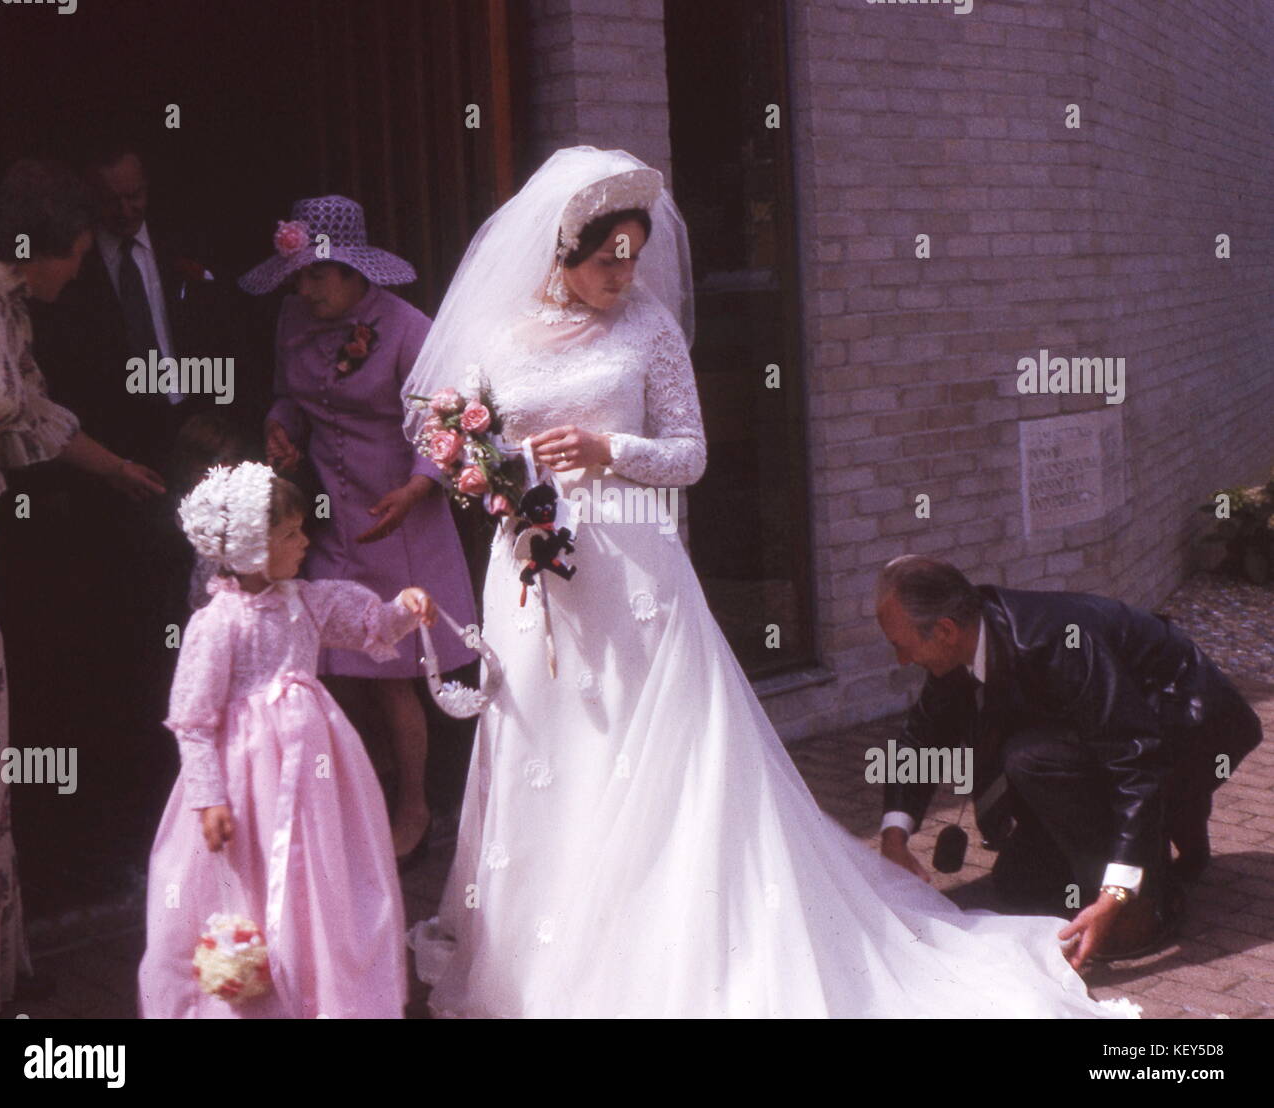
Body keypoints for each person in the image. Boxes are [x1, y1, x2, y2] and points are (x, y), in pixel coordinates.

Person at [403, 146, 1138, 1018]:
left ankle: (661, 947)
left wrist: (611, 450)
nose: (623, 274)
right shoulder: (496, 333)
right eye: (608, 258)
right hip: (530, 575)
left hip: (634, 572)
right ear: (563, 251)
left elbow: (691, 455)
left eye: (635, 255)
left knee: (651, 757)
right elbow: (449, 440)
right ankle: (535, 951)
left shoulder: (648, 328)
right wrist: (496, 479)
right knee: (543, 747)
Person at [137, 462, 438, 1018]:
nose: (305, 542)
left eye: (302, 530)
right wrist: (208, 796)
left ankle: (325, 991)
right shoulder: (218, 623)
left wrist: (405, 609)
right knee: (249, 876)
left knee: (320, 871)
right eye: (290, 535)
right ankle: (259, 996)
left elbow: (367, 627)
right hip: (246, 776)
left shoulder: (307, 600)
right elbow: (194, 718)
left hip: (318, 769)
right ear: (252, 547)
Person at [0, 159, 163, 1017]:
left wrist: (119, 468)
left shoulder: (10, 309)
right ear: (43, 241)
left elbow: (37, 419)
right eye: (78, 250)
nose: (83, 267)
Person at [875, 555, 1263, 965]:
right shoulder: (962, 642)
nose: (901, 660)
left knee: (1031, 760)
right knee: (1019, 886)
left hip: (1190, 727)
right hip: (1117, 734)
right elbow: (919, 739)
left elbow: (1135, 759)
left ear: (945, 630)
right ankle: (1167, 828)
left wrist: (1117, 893)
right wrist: (894, 836)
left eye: (901, 646)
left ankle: (1150, 907)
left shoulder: (1058, 643)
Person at [239, 196, 475, 860]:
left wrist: (421, 484)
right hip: (328, 522)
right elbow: (291, 394)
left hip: (397, 517)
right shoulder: (294, 319)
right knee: (336, 668)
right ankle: (357, 797)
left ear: (352, 272)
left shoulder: (406, 329)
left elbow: (447, 419)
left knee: (392, 672)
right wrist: (281, 424)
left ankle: (415, 809)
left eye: (317, 275)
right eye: (299, 276)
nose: (304, 288)